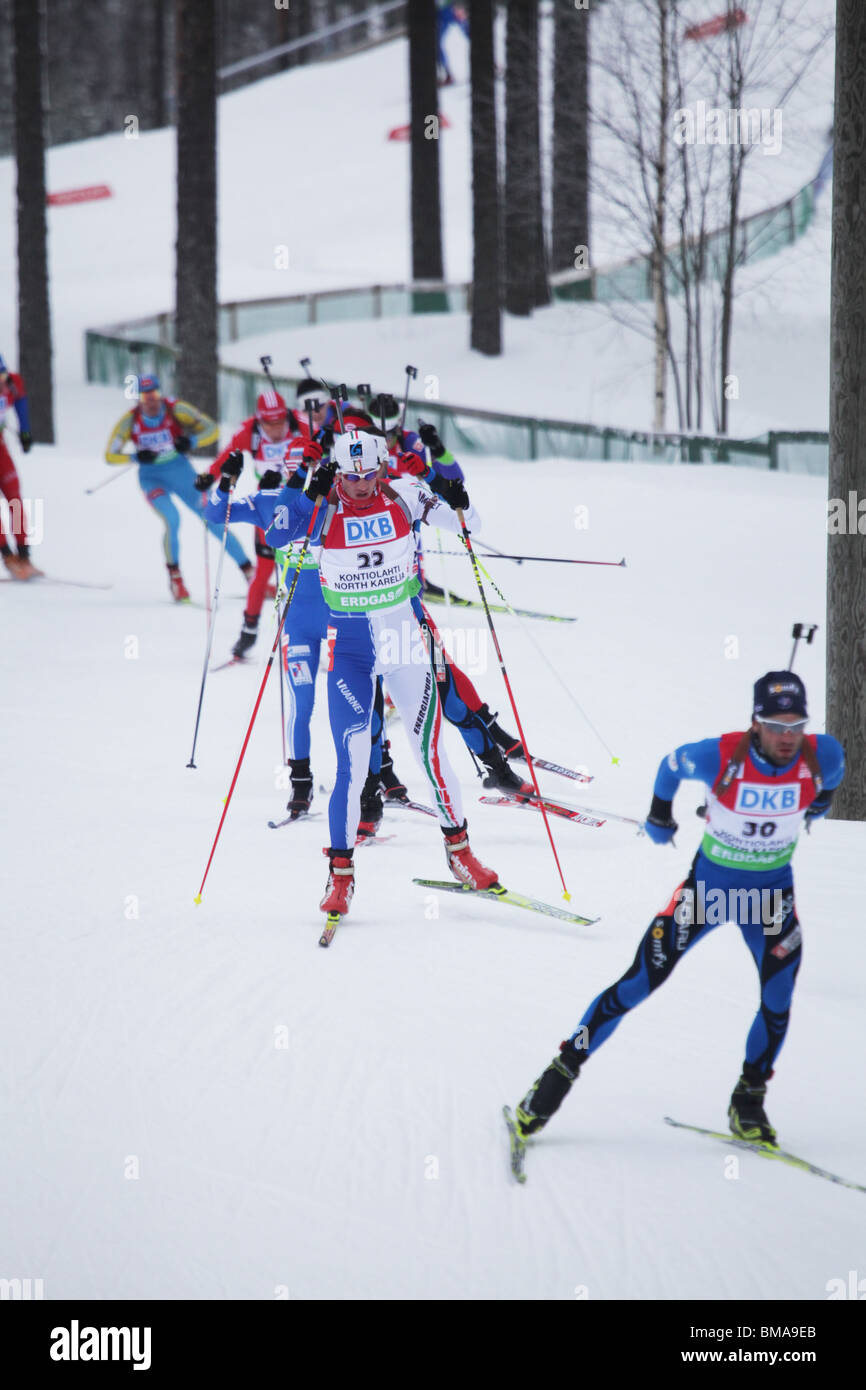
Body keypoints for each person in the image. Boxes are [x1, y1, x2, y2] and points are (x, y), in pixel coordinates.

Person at [511, 671, 845, 1150]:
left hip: (772, 899)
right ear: (755, 723)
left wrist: (820, 806)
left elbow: (833, 777)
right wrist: (658, 816)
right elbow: (669, 766)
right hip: (707, 894)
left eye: (796, 725)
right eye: (775, 724)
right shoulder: (720, 755)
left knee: (777, 1000)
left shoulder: (822, 754)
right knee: (635, 986)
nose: (787, 736)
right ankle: (555, 1079)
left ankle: (748, 1102)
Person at [207, 427, 500, 916]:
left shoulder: (406, 496)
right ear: (337, 472)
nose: (361, 485)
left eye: (369, 475)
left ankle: (461, 853)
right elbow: (253, 524)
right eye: (351, 476)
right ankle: (340, 875)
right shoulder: (318, 509)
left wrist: (457, 499)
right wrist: (299, 496)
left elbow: (474, 524)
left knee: (428, 750)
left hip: (404, 638)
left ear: (383, 468)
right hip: (351, 649)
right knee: (351, 759)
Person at [104, 374, 252, 601]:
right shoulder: (130, 421)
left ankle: (250, 574)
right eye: (145, 396)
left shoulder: (176, 409)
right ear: (138, 399)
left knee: (214, 518)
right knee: (172, 520)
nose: (151, 401)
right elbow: (110, 455)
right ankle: (176, 580)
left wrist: (191, 441)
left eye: (154, 394)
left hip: (181, 473)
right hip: (151, 478)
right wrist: (135, 456)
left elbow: (212, 429)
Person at [0, 354, 40, 579]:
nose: (0, 382)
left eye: (2, 375)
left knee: (14, 494)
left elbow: (21, 402)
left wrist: (25, 432)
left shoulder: (12, 382)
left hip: (0, 446)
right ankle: (7, 555)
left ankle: (24, 554)